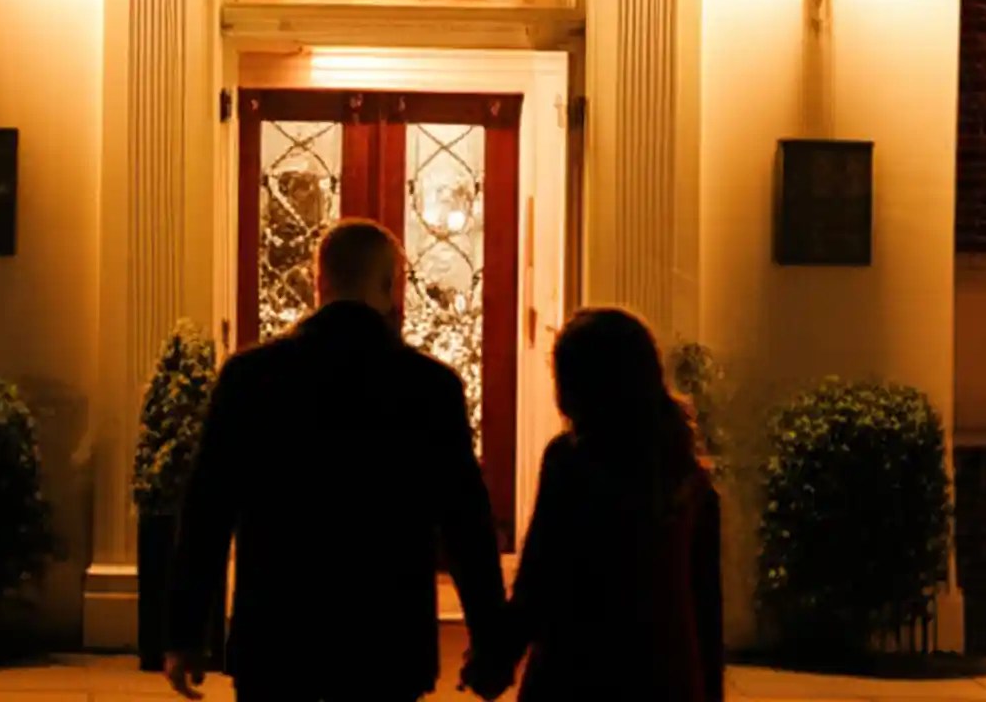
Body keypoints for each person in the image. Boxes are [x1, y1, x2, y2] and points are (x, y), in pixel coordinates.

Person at [164, 218, 510, 702]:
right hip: (387, 634)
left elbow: (208, 509)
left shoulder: (251, 377)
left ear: (317, 280)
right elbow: (466, 524)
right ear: (391, 286)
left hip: (278, 630)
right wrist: (491, 640)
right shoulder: (428, 387)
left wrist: (184, 632)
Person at [464, 308, 725, 702]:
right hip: (665, 680)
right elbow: (706, 612)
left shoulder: (572, 463)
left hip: (576, 676)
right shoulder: (688, 478)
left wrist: (495, 658)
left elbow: (539, 581)